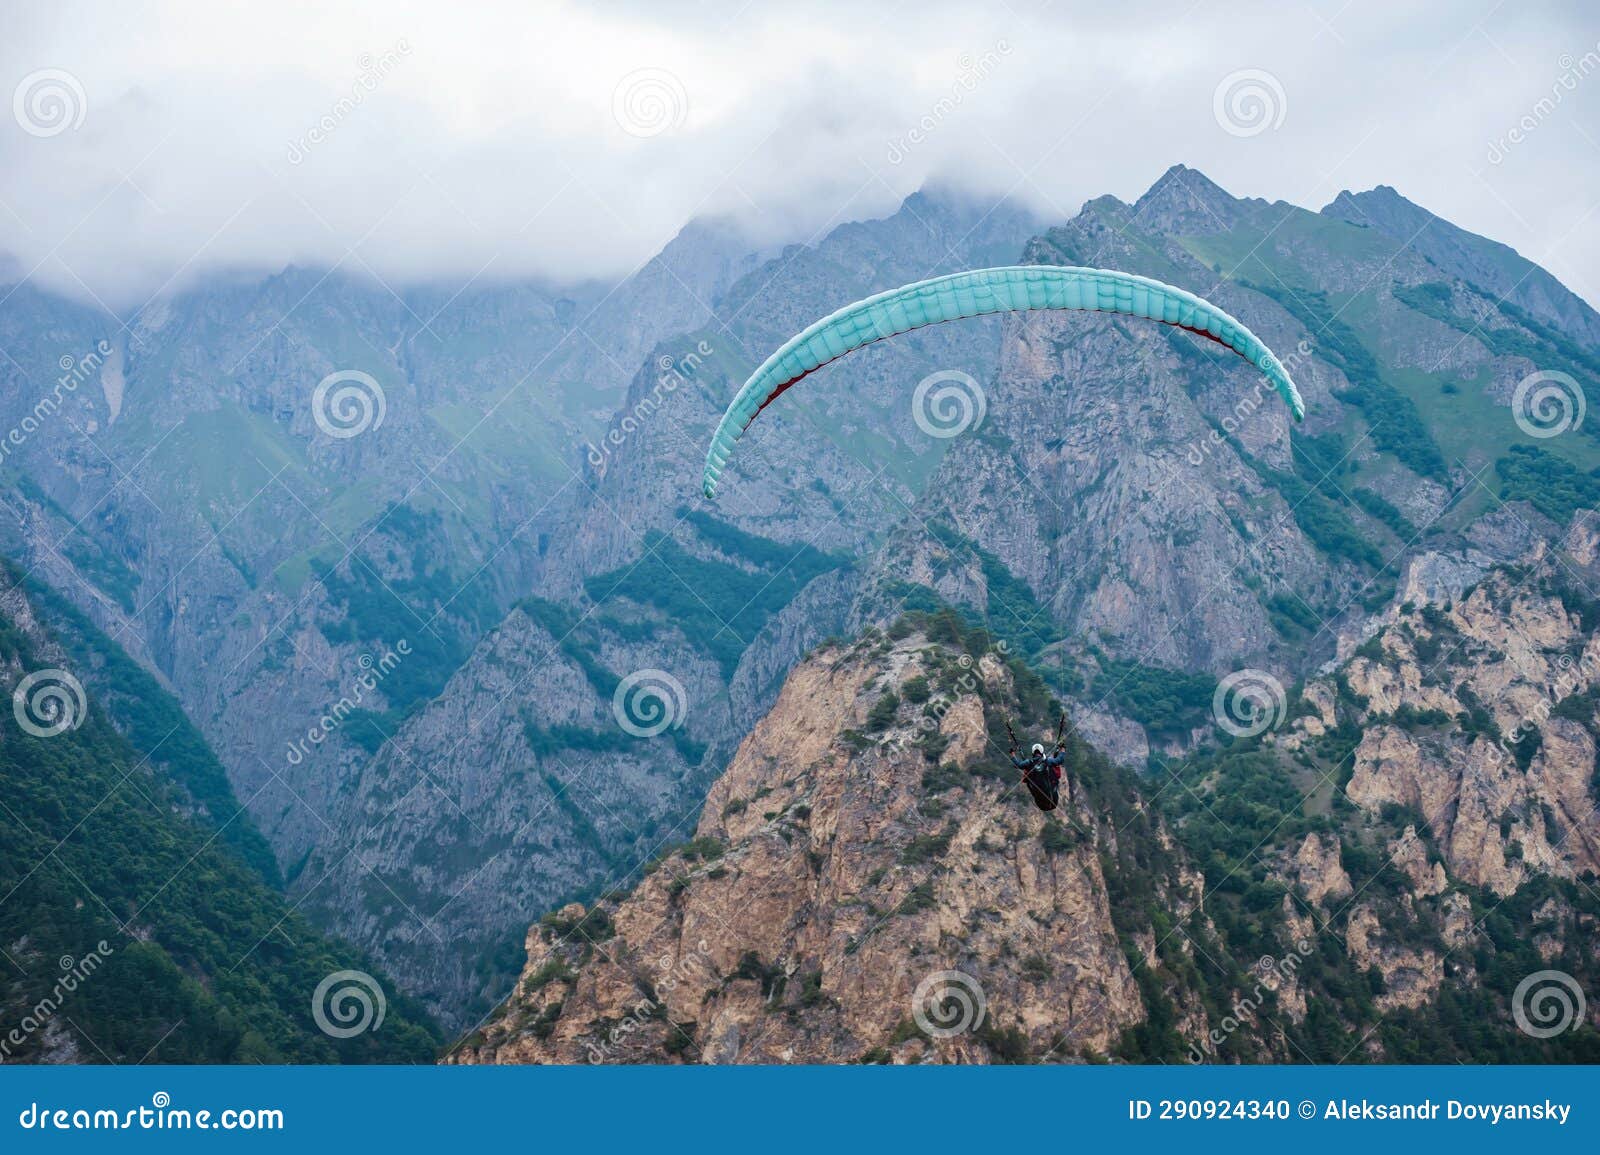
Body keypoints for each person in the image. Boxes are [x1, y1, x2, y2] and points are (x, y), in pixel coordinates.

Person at [1010, 738, 1064, 811]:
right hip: (1053, 801)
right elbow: (1060, 760)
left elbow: (1018, 765)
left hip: (1040, 803)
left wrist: (1013, 755)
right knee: (1053, 769)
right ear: (1042, 752)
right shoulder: (1048, 761)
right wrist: (1062, 750)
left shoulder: (1028, 763)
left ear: (1033, 753)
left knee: (1028, 773)